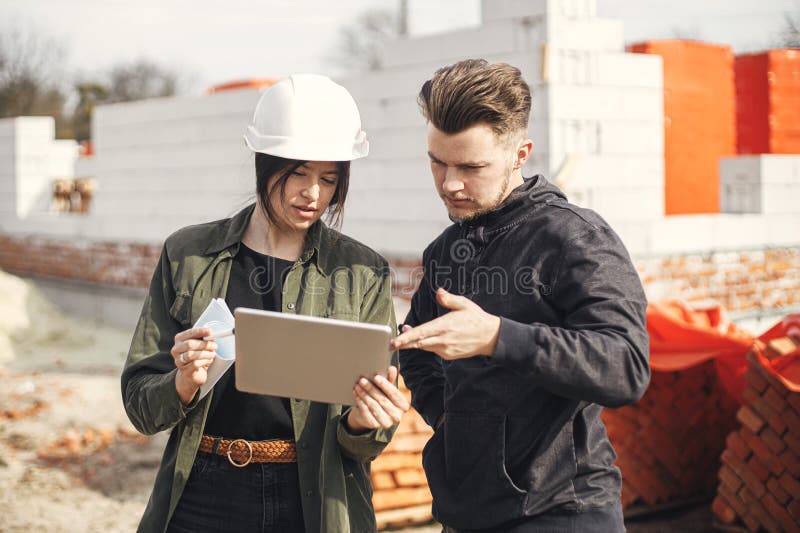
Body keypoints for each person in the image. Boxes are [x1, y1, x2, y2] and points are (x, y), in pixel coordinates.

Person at [122, 74, 409, 533]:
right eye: (297, 173)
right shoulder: (189, 255)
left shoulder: (362, 273)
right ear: (263, 161)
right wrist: (181, 383)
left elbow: (366, 442)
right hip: (203, 491)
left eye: (329, 179)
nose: (312, 194)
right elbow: (139, 404)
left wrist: (364, 422)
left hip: (312, 497)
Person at [393, 59, 650, 532]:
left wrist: (496, 337)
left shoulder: (576, 238)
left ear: (520, 153)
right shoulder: (444, 251)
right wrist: (450, 422)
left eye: (471, 167)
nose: (450, 183)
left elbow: (626, 366)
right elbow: (417, 353)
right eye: (438, 162)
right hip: (464, 514)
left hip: (563, 514)